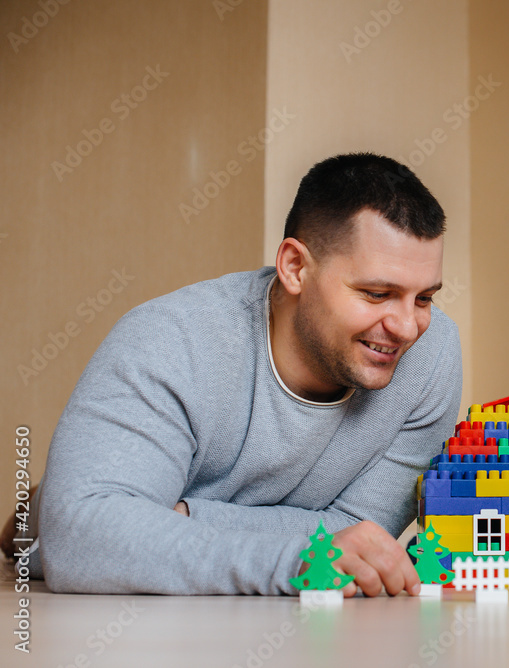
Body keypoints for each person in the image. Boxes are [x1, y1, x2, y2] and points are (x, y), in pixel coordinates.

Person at [20, 153, 463, 596]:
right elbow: (84, 536)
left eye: (424, 298)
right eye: (376, 293)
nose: (407, 328)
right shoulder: (171, 338)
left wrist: (185, 517)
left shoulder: (433, 354)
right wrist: (294, 560)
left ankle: (46, 504)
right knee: (55, 517)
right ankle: (32, 513)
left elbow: (358, 534)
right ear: (295, 268)